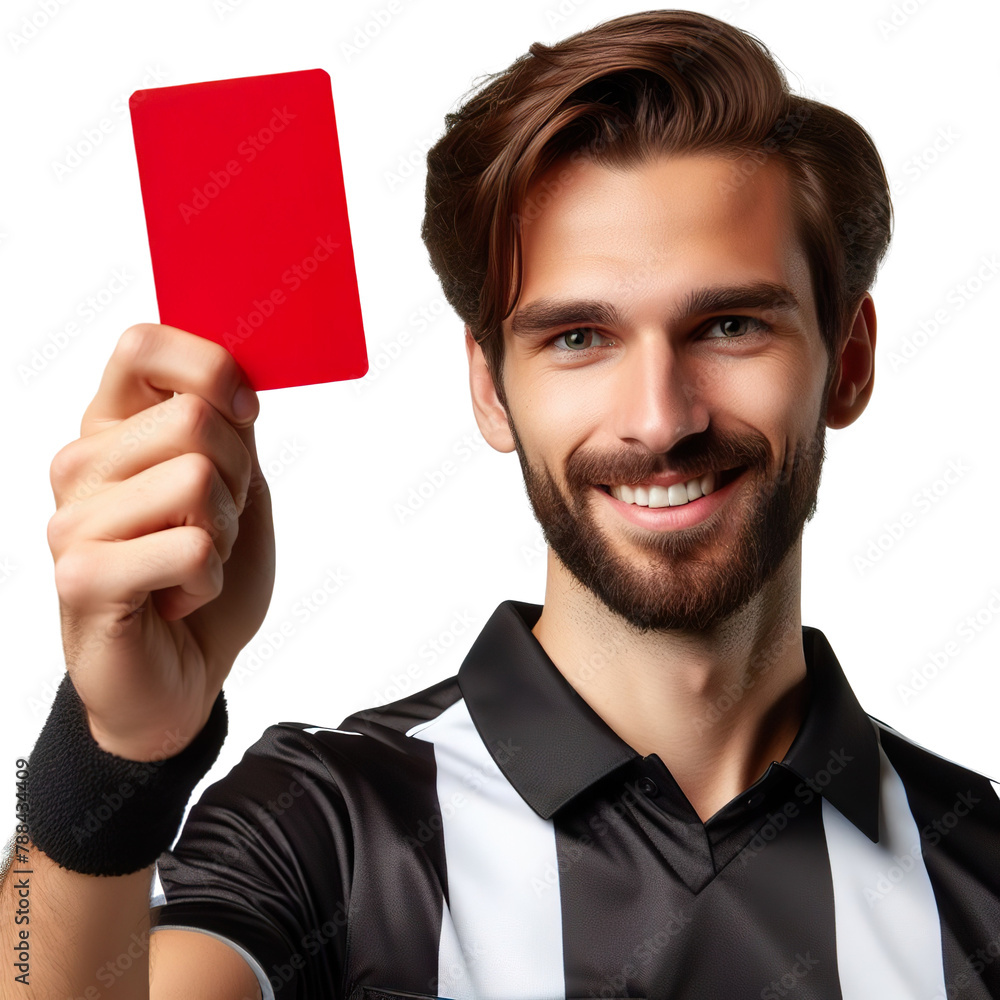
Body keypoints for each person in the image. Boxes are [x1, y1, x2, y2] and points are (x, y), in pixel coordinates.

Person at [3, 8, 999, 1000]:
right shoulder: (333, 825)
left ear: (849, 362)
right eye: (577, 337)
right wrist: (114, 751)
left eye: (728, 324)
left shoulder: (979, 871)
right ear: (490, 387)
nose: (658, 419)